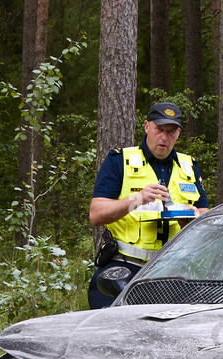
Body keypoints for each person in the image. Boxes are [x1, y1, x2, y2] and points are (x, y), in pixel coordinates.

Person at [87, 101, 209, 308]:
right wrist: (138, 199)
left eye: (171, 132)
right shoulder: (120, 160)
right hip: (126, 266)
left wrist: (191, 219)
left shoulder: (189, 166)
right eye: (159, 129)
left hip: (173, 271)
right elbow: (96, 214)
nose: (164, 137)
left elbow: (205, 216)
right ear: (146, 127)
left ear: (178, 133)